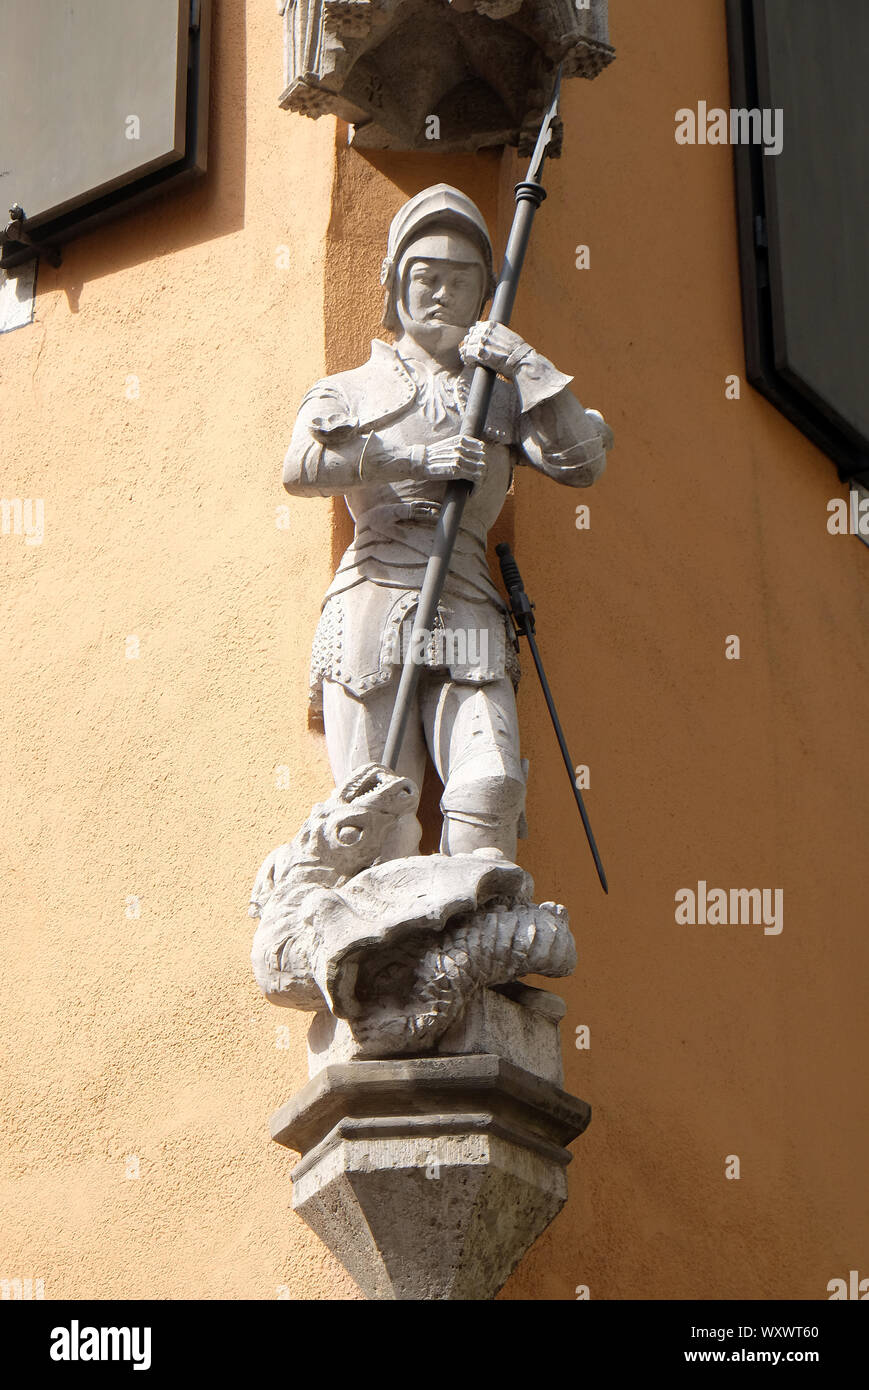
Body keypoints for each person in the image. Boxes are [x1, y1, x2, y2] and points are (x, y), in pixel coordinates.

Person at [283, 184, 613, 862]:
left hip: (465, 592)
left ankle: (483, 913)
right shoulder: (350, 388)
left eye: (459, 283)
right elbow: (302, 466)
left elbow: (581, 462)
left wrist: (525, 364)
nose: (440, 295)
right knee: (377, 807)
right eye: (426, 278)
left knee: (491, 785)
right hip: (373, 595)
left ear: (482, 295)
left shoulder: (500, 394)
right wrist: (413, 457)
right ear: (396, 285)